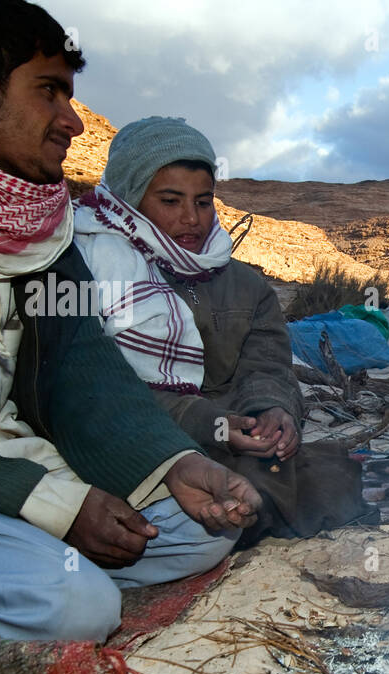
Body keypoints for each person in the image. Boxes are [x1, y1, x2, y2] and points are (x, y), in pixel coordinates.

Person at [0, 0, 263, 643]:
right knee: (77, 607)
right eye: (49, 92)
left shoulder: (34, 222)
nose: (73, 122)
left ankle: (6, 580)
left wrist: (173, 464)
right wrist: (52, 505)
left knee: (197, 532)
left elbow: (81, 366)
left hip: (3, 464)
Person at [73, 117, 365, 545]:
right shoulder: (91, 269)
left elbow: (267, 365)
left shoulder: (244, 283)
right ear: (130, 199)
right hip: (138, 435)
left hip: (234, 435)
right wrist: (211, 425)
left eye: (204, 202)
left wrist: (272, 412)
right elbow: (97, 389)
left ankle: (230, 518)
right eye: (171, 201)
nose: (191, 218)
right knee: (240, 489)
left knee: (327, 472)